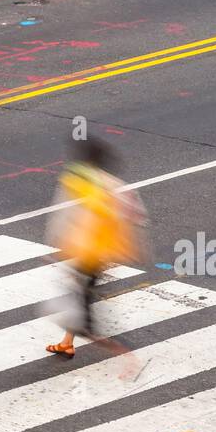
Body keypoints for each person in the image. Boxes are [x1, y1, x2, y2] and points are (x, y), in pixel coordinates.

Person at [44, 138, 145, 372]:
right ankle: (67, 343)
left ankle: (127, 356)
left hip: (86, 254)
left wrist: (62, 245)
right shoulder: (112, 184)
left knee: (83, 316)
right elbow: (134, 215)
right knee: (77, 297)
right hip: (98, 255)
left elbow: (74, 219)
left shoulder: (82, 183)